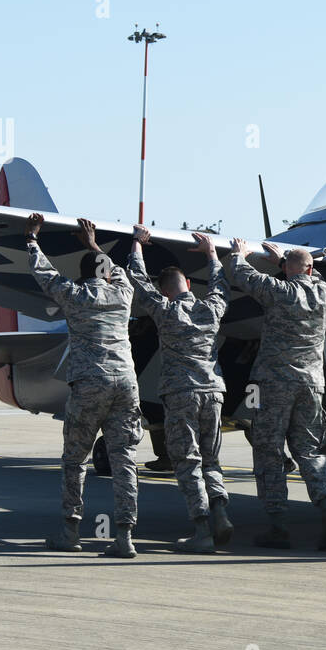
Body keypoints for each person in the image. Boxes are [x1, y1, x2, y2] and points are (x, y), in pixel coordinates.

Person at [26, 213, 142, 558]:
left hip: (90, 382)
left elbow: (43, 272)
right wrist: (92, 243)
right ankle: (124, 536)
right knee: (125, 460)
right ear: (106, 271)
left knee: (75, 460)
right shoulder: (123, 291)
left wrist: (33, 238)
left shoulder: (73, 294)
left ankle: (71, 530)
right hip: (126, 382)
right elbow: (115, 269)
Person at [227, 238, 326, 549]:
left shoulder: (279, 290)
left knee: (269, 452)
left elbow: (242, 275)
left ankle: (278, 525)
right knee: (310, 451)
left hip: (273, 384)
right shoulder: (325, 294)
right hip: (312, 384)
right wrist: (289, 263)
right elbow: (312, 276)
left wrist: (240, 252)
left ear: (288, 271)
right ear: (311, 268)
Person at [128, 224, 233, 554]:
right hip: (214, 392)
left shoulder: (164, 309)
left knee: (188, 461)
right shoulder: (211, 308)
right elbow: (220, 285)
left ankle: (202, 530)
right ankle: (220, 509)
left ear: (166, 290)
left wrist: (137, 244)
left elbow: (137, 279)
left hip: (181, 393)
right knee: (211, 459)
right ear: (188, 285)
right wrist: (212, 253)